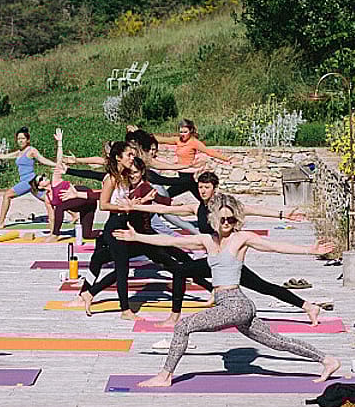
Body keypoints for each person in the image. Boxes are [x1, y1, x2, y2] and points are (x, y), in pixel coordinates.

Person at [114, 194, 340, 387]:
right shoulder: (208, 240)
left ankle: (165, 376)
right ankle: (327, 359)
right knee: (277, 342)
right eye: (223, 218)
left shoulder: (241, 239)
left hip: (235, 304)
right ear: (214, 219)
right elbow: (168, 241)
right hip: (232, 305)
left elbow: (276, 247)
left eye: (231, 219)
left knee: (183, 326)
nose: (227, 222)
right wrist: (137, 237)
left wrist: (309, 250)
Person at [127, 171, 328, 323]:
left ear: (214, 188)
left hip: (229, 262)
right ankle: (175, 316)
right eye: (200, 187)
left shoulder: (224, 207)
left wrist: (282, 215)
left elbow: (252, 210)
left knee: (264, 287)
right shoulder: (196, 207)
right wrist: (135, 206)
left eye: (206, 187)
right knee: (179, 271)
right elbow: (163, 208)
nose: (202, 191)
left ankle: (308, 306)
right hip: (214, 259)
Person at [75, 157, 214, 324]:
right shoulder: (129, 187)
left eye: (136, 172)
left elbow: (161, 201)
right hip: (138, 236)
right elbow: (109, 196)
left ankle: (90, 293)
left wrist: (174, 202)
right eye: (130, 173)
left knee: (176, 260)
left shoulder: (144, 187)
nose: (133, 176)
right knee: (166, 264)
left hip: (145, 236)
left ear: (142, 172)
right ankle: (98, 297)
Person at [0, 127, 57, 227]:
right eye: (18, 139)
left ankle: (1, 222)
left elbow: (43, 159)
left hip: (29, 181)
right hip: (29, 182)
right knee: (48, 198)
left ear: (28, 140)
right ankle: (73, 215)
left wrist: (56, 165)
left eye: (23, 138)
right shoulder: (19, 152)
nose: (20, 141)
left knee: (7, 195)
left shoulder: (31, 150)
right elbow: (6, 156)